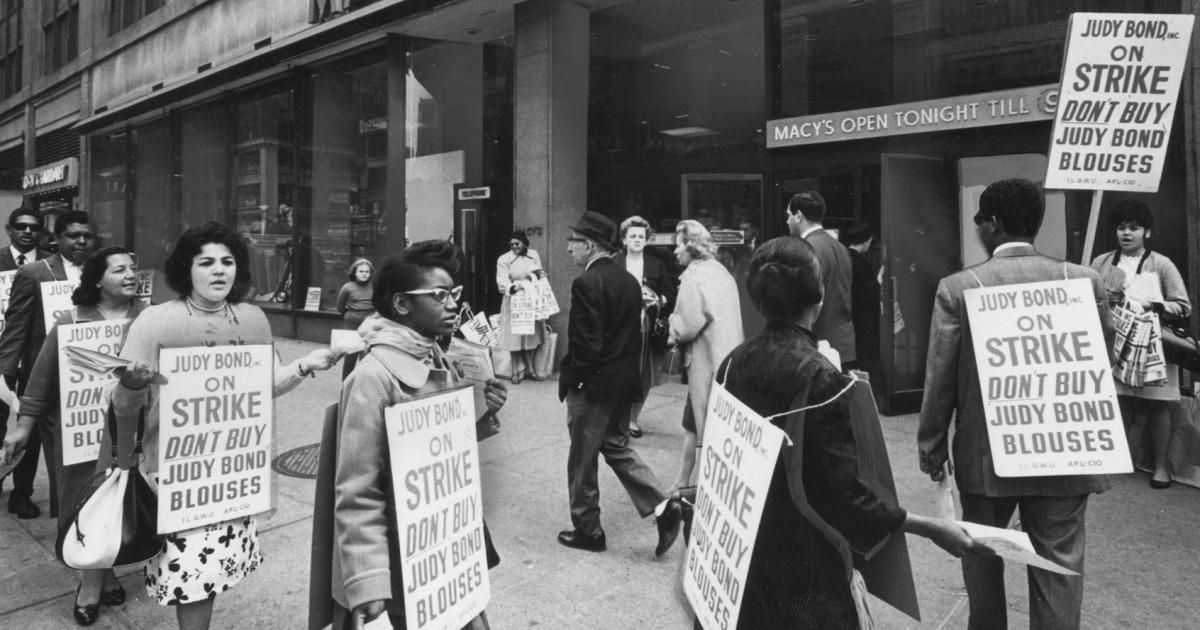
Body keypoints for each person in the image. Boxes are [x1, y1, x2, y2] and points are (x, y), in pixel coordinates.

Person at [715, 236, 985, 628]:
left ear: (758, 299)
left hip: (742, 554)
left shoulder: (732, 362)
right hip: (803, 567)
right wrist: (931, 527)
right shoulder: (822, 379)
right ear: (820, 297)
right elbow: (845, 497)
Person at [109, 222, 339, 630]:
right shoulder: (155, 323)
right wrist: (131, 383)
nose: (219, 271)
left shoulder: (253, 319)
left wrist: (305, 365)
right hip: (178, 477)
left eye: (228, 262)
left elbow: (266, 385)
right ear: (186, 269)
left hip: (233, 474)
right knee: (191, 579)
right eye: (206, 262)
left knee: (210, 575)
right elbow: (122, 406)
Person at [919, 178, 1112, 630]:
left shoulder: (959, 287)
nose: (978, 228)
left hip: (986, 459)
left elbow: (940, 378)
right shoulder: (1085, 281)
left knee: (982, 556)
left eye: (979, 221)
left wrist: (932, 445)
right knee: (1059, 565)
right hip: (1066, 448)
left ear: (993, 224)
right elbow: (1098, 361)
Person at [324, 240, 508, 630]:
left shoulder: (436, 355)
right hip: (401, 566)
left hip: (446, 555)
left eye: (453, 293)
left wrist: (481, 411)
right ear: (402, 304)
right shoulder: (372, 377)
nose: (453, 304)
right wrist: (368, 581)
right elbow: (358, 491)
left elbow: (433, 449)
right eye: (439, 295)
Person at [1, 246, 144, 626]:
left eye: (133, 268)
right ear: (97, 279)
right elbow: (42, 381)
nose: (130, 274)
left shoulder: (151, 319)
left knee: (121, 508)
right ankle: (90, 585)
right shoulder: (70, 321)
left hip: (135, 433)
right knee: (87, 507)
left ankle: (106, 570)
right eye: (119, 270)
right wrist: (23, 427)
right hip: (82, 437)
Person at [558, 211, 681, 555]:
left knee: (582, 457)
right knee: (615, 447)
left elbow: (585, 346)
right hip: (623, 384)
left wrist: (576, 384)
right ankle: (663, 505)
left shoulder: (586, 283)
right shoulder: (628, 280)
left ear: (589, 245)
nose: (569, 248)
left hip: (594, 388)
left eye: (573, 242)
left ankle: (588, 530)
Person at [0, 209, 98, 519]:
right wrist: (5, 375)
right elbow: (15, 328)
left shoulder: (101, 272)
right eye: (73, 235)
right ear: (56, 239)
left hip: (86, 376)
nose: (81, 241)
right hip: (41, 373)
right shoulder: (35, 273)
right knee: (31, 438)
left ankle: (71, 513)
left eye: (87, 236)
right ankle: (22, 494)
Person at [1089, 199, 1190, 489]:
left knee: (1158, 405)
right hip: (1115, 340)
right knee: (1114, 401)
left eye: (1134, 228)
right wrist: (1109, 300)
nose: (1127, 233)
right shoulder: (1102, 262)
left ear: (1147, 232)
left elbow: (1183, 306)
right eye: (1121, 227)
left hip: (1153, 345)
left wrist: (1154, 304)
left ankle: (1161, 467)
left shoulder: (1161, 264)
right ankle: (1116, 459)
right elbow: (1087, 296)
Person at [666, 220, 743, 496]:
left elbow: (686, 325)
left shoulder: (694, 276)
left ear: (691, 246)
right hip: (727, 358)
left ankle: (696, 485)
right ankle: (682, 479)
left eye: (678, 245)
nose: (675, 252)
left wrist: (671, 326)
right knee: (693, 422)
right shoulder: (721, 271)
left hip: (705, 361)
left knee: (703, 423)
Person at [612, 216, 676, 438]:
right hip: (619, 327)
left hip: (646, 328)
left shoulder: (656, 264)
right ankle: (618, 416)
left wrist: (657, 299)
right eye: (633, 236)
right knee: (620, 372)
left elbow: (670, 293)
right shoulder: (614, 263)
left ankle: (632, 419)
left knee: (643, 374)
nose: (637, 240)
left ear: (647, 240)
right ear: (624, 240)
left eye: (641, 236)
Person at [0, 207, 45, 502]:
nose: (27, 232)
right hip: (2, 353)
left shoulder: (48, 266)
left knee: (31, 426)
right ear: (9, 229)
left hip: (33, 356)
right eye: (21, 227)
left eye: (33, 227)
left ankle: (23, 493)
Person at [785, 191, 855, 365]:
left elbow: (807, 302)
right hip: (843, 345)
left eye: (789, 216)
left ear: (799, 216)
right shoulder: (840, 248)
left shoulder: (806, 249)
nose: (787, 221)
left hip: (818, 348)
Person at [496, 230, 544, 383]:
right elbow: (502, 281)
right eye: (511, 245)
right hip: (513, 301)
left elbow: (539, 272)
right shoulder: (504, 259)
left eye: (517, 243)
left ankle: (530, 367)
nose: (514, 247)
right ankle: (517, 370)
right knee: (514, 337)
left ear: (524, 242)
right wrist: (513, 287)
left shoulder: (534, 255)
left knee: (530, 336)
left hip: (529, 299)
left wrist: (539, 278)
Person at [844, 221, 881, 373]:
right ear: (866, 241)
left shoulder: (844, 257)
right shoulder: (860, 262)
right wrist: (878, 280)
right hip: (862, 318)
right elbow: (869, 292)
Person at [336, 259, 376, 330]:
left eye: (367, 272)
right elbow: (340, 307)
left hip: (371, 319)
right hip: (352, 320)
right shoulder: (347, 287)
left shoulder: (375, 287)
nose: (364, 274)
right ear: (355, 273)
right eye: (361, 271)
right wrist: (352, 314)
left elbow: (379, 304)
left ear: (370, 273)